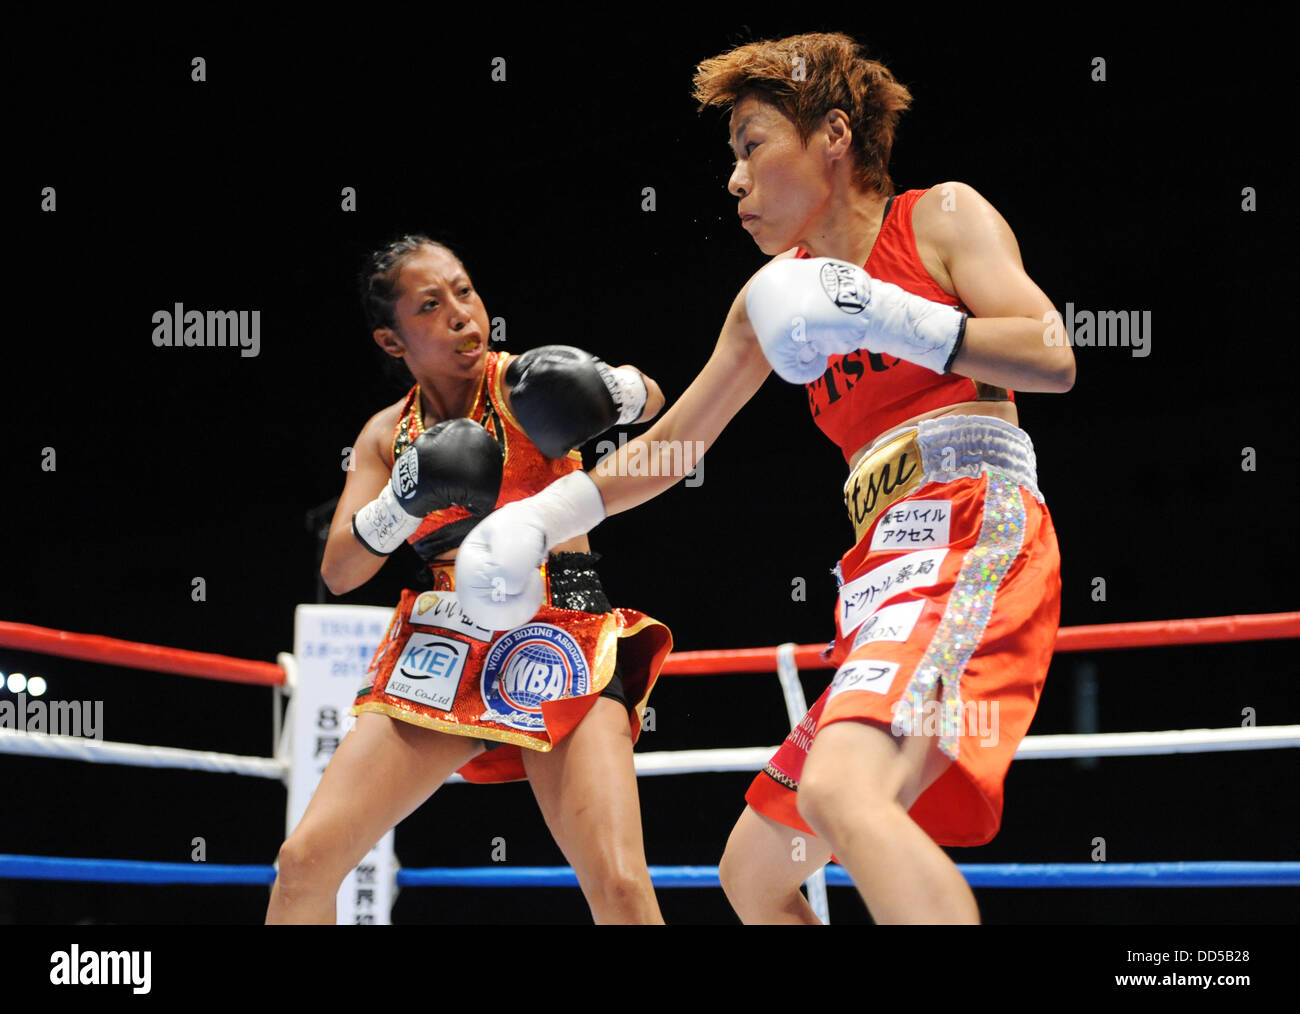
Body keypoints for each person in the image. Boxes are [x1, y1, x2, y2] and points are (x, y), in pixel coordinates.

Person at [453, 32, 1072, 925]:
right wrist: (542, 518)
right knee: (755, 872)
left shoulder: (937, 218)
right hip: (881, 564)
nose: (734, 179)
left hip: (976, 521)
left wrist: (886, 315)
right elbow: (677, 445)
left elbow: (1053, 356)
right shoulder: (769, 298)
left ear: (833, 135)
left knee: (845, 796)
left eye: (751, 146)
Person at [266, 236, 672, 924]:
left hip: (560, 623)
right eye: (431, 305)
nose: (461, 313)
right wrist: (401, 501)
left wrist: (617, 388)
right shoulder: (384, 436)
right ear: (392, 343)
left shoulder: (524, 385)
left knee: (621, 887)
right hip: (445, 640)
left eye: (464, 290)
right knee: (304, 863)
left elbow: (657, 401)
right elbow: (339, 570)